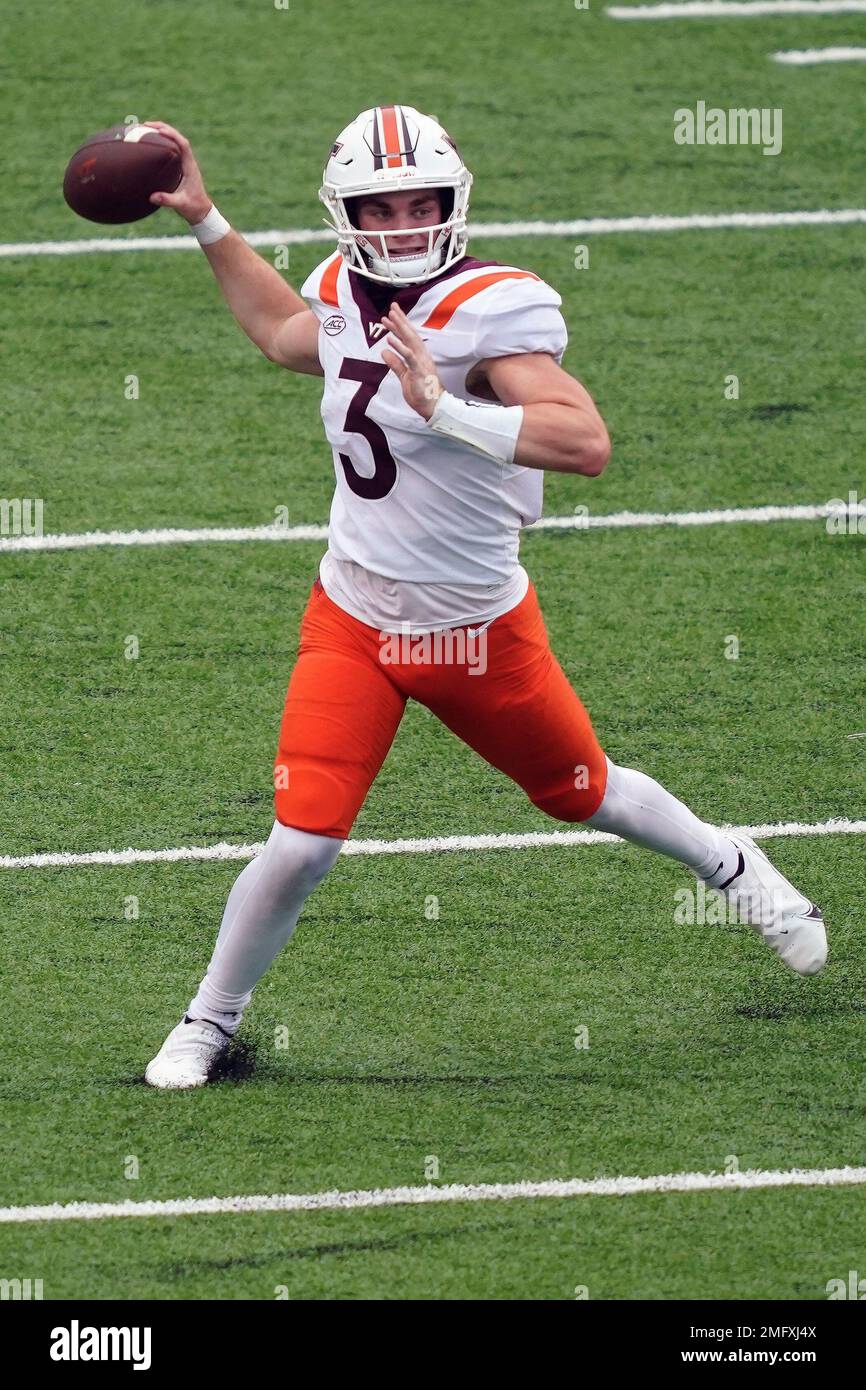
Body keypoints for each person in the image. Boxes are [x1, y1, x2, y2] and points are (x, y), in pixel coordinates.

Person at [143, 105, 826, 1089]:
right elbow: (286, 334)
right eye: (385, 205)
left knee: (581, 791)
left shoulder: (489, 313)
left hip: (472, 630)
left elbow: (583, 443)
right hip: (352, 616)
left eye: (424, 202)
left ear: (453, 200)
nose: (408, 222)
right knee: (299, 843)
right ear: (349, 210)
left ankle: (728, 864)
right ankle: (209, 1021)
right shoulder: (341, 284)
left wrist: (448, 411)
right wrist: (207, 221)